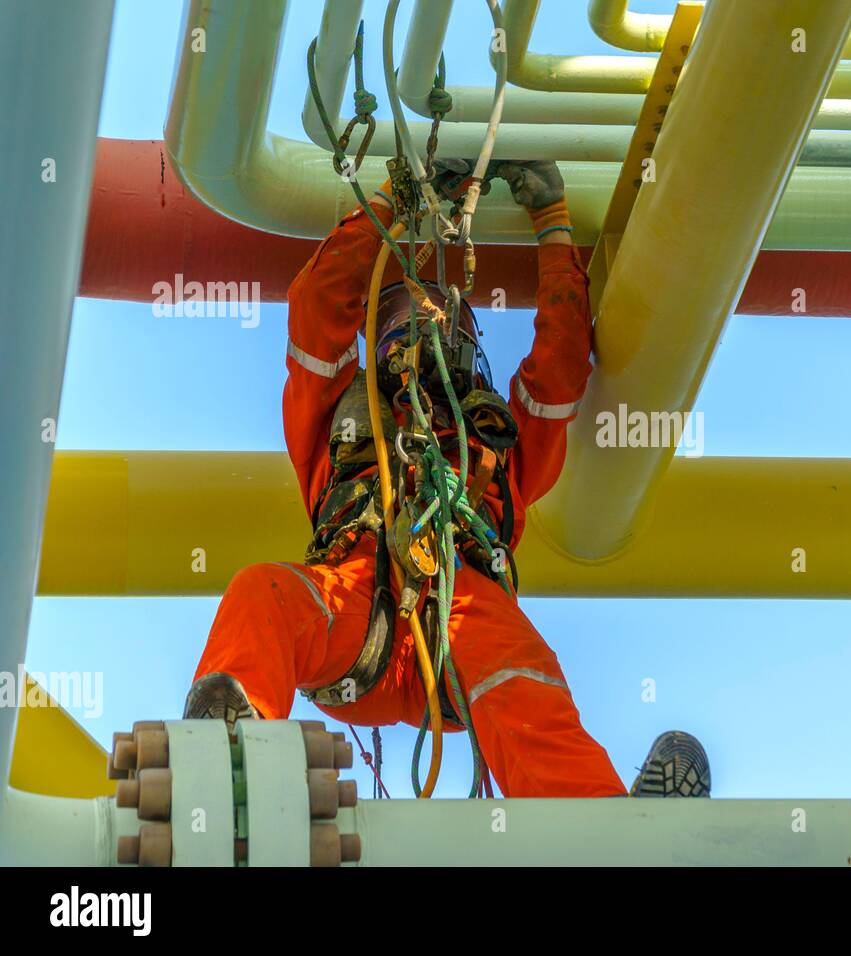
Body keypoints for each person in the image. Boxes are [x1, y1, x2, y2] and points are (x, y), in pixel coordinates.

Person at [182, 159, 709, 798]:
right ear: (381, 337)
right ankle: (228, 757)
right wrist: (390, 203)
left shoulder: (493, 446)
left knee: (524, 679)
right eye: (411, 308)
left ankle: (606, 828)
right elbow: (319, 303)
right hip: (358, 603)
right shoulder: (337, 416)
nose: (430, 315)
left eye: (444, 313)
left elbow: (560, 371)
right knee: (261, 592)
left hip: (465, 621)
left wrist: (552, 224)